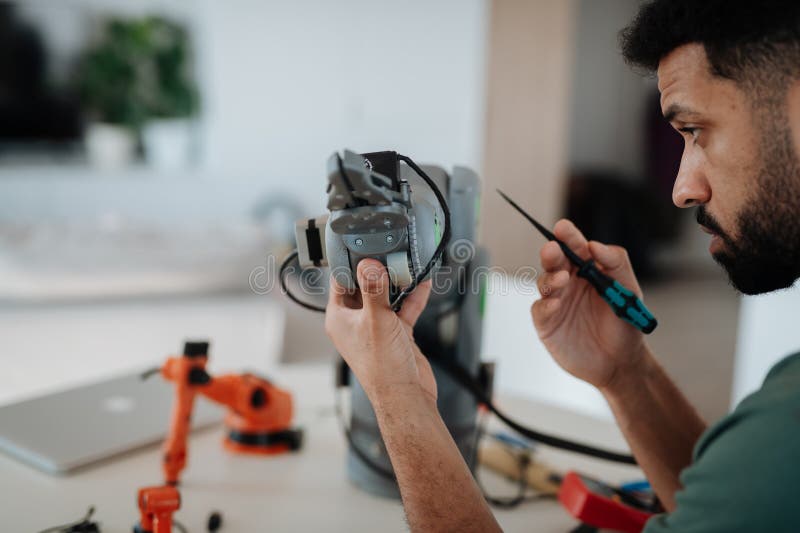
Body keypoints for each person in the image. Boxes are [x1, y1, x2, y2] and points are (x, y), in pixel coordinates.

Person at [324, 1, 800, 531]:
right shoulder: (780, 419)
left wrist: (395, 395)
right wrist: (626, 372)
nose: (682, 189)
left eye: (696, 130)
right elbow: (725, 506)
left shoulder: (789, 429)